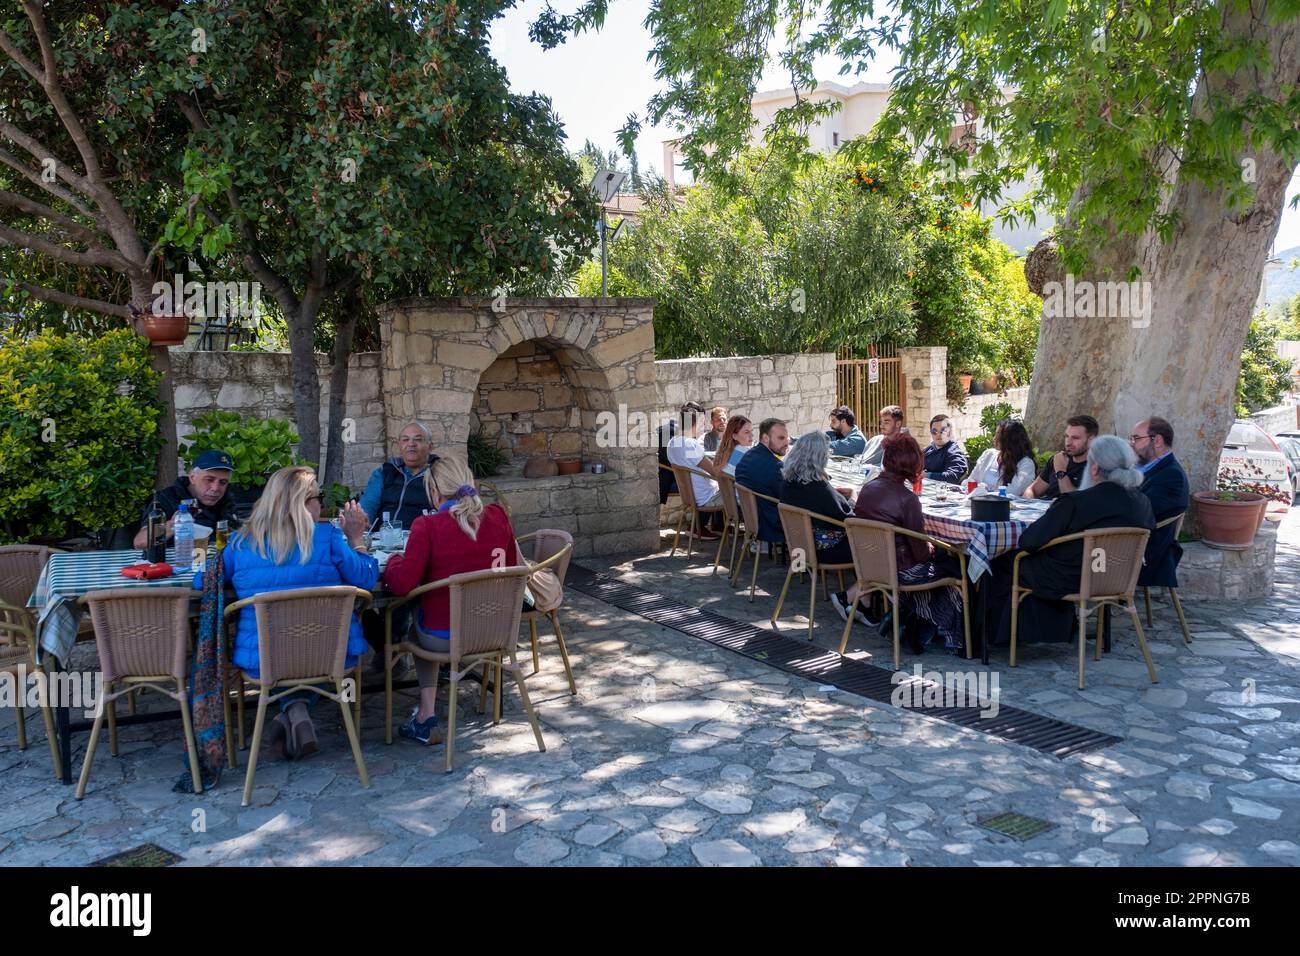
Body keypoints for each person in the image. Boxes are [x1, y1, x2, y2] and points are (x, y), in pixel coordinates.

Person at [207, 466, 377, 759]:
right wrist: (357, 540)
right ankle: (296, 709)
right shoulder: (329, 538)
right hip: (329, 653)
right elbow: (366, 578)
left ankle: (291, 710)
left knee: (288, 661)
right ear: (304, 502)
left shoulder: (239, 543)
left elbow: (205, 582)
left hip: (263, 657)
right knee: (311, 660)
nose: (321, 503)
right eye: (318, 497)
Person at [381, 456, 526, 745]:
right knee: (426, 623)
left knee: (414, 629)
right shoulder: (498, 516)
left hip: (444, 638)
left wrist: (395, 560)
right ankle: (430, 712)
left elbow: (402, 584)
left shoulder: (428, 526)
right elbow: (510, 568)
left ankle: (426, 714)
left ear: (434, 491)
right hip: (495, 632)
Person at [992, 435, 1154, 645]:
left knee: (1003, 560)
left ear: (1094, 469)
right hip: (1116, 577)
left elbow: (1029, 541)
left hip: (1067, 579)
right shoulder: (1143, 503)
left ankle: (1003, 636)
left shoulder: (1076, 502)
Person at [834, 432, 966, 653]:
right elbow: (921, 553)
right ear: (913, 464)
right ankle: (949, 634)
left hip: (871, 565)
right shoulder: (908, 499)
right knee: (957, 567)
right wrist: (934, 546)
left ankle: (907, 618)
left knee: (945, 562)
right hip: (900, 570)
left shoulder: (868, 488)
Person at [133, 450, 240, 549]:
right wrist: (172, 525)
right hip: (175, 563)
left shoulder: (227, 499)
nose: (215, 488)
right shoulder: (166, 498)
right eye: (209, 480)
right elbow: (140, 542)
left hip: (215, 562)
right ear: (192, 477)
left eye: (223, 482)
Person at [1131, 416, 1190, 590]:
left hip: (1143, 554)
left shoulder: (1171, 475)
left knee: (1066, 558)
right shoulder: (1142, 467)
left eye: (1136, 438)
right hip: (1126, 543)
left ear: (1157, 441)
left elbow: (1139, 515)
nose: (1131, 444)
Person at [779, 432, 854, 565]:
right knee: (873, 542)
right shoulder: (818, 487)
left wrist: (836, 496)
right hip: (824, 551)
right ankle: (869, 581)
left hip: (799, 545)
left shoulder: (789, 480)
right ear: (820, 458)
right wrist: (853, 498)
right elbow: (849, 518)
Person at [358, 421, 440, 532]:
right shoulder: (385, 472)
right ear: (399, 446)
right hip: (382, 539)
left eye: (418, 439)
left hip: (421, 538)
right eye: (405, 440)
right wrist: (362, 524)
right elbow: (367, 508)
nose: (411, 444)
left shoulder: (440, 474)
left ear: (430, 447)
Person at [666, 402, 726, 539]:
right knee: (739, 490)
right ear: (696, 422)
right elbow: (714, 472)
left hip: (691, 494)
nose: (703, 426)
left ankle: (716, 526)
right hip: (705, 496)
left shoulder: (672, 443)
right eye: (702, 422)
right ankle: (729, 528)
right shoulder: (690, 445)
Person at [735, 418, 789, 547]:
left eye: (787, 438)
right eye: (781, 438)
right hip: (770, 525)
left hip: (752, 520)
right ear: (765, 438)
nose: (786, 443)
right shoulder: (775, 467)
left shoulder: (747, 457)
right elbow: (790, 498)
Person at [1025, 414, 1098, 500]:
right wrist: (1027, 503)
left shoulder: (1096, 468)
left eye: (1075, 438)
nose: (1068, 442)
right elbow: (1032, 490)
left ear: (1091, 440)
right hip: (1044, 511)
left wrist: (1060, 471)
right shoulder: (1058, 459)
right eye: (1067, 436)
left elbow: (1077, 502)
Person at [966, 419, 1038, 495]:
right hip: (977, 501)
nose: (994, 439)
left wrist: (984, 494)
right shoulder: (988, 454)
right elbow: (971, 480)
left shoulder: (1026, 464)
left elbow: (1014, 492)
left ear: (1010, 440)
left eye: (998, 435)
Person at [923, 415, 969, 484]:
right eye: (934, 431)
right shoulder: (929, 449)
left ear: (950, 432)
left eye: (943, 430)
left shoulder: (954, 452)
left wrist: (926, 475)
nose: (938, 434)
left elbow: (952, 476)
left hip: (944, 493)